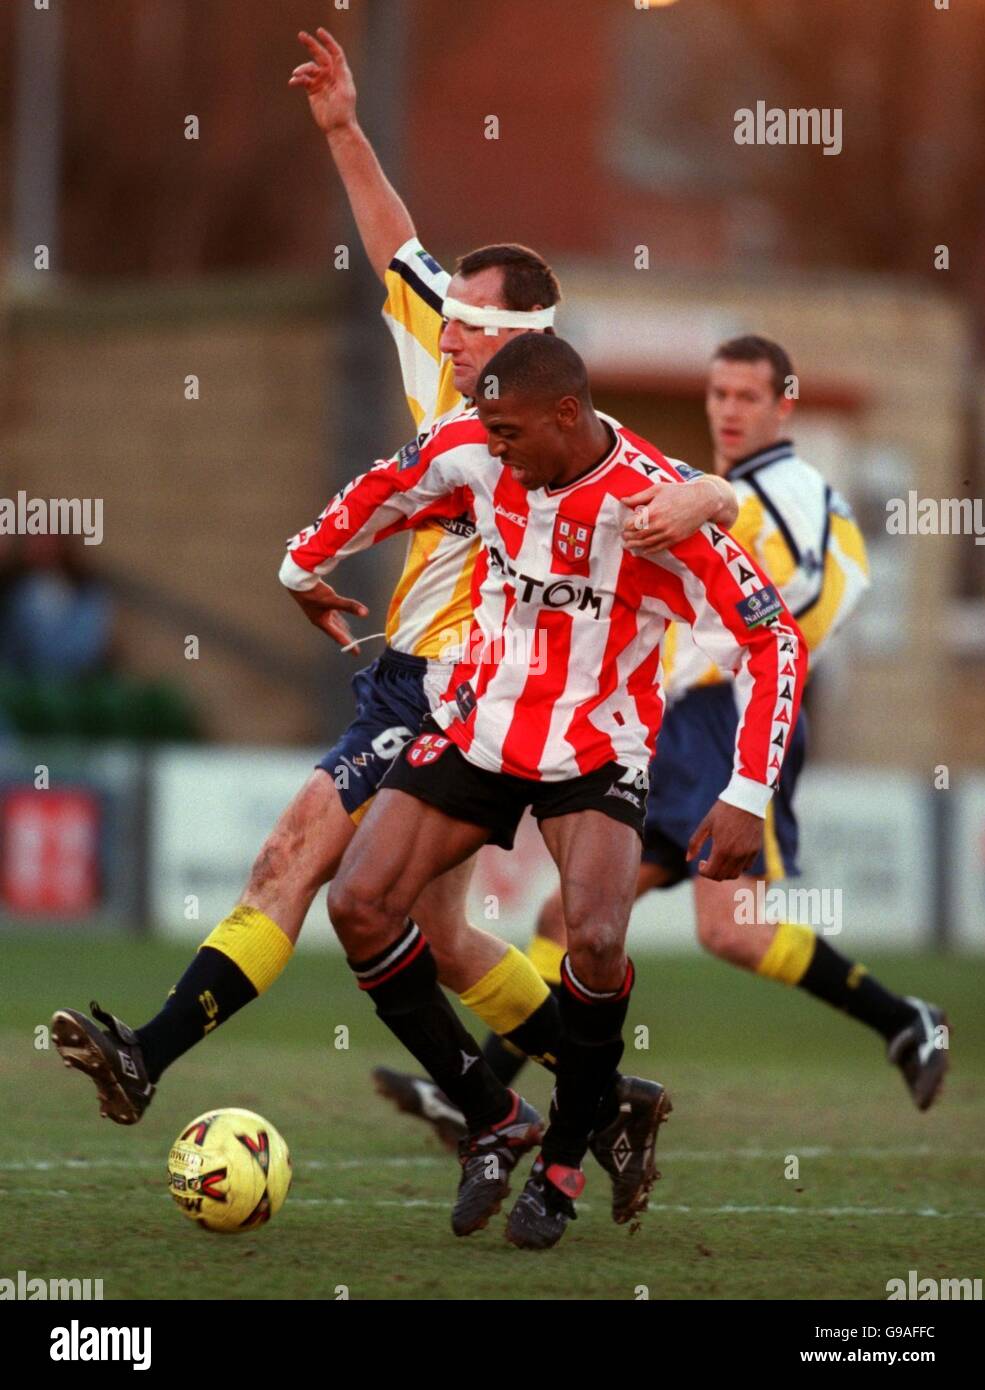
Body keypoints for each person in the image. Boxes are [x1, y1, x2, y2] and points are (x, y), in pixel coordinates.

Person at [50, 28, 736, 1228]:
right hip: (410, 676)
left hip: (463, 690)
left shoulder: (550, 425)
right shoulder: (455, 370)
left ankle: (152, 1052)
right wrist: (343, 129)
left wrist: (717, 491)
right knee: (443, 936)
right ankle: (594, 1107)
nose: (444, 324)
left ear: (530, 340)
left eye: (468, 316)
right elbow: (392, 244)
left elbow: (687, 514)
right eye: (448, 314)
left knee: (299, 858)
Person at [282, 332, 807, 1248]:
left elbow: (774, 642)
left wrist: (746, 794)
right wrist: (301, 569)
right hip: (478, 726)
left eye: (509, 431)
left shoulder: (655, 509)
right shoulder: (477, 449)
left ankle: (563, 1164)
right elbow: (387, 486)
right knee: (359, 904)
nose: (493, 447)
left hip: (597, 749)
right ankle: (493, 1117)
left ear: (567, 414)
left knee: (594, 939)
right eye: (487, 430)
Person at [385, 334, 947, 1144]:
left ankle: (904, 1018)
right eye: (717, 394)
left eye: (746, 396)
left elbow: (800, 601)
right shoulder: (721, 485)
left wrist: (719, 625)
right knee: (564, 921)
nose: (726, 410)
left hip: (724, 722)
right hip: (670, 726)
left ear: (783, 406)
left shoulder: (788, 488)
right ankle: (492, 1092)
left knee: (727, 928)